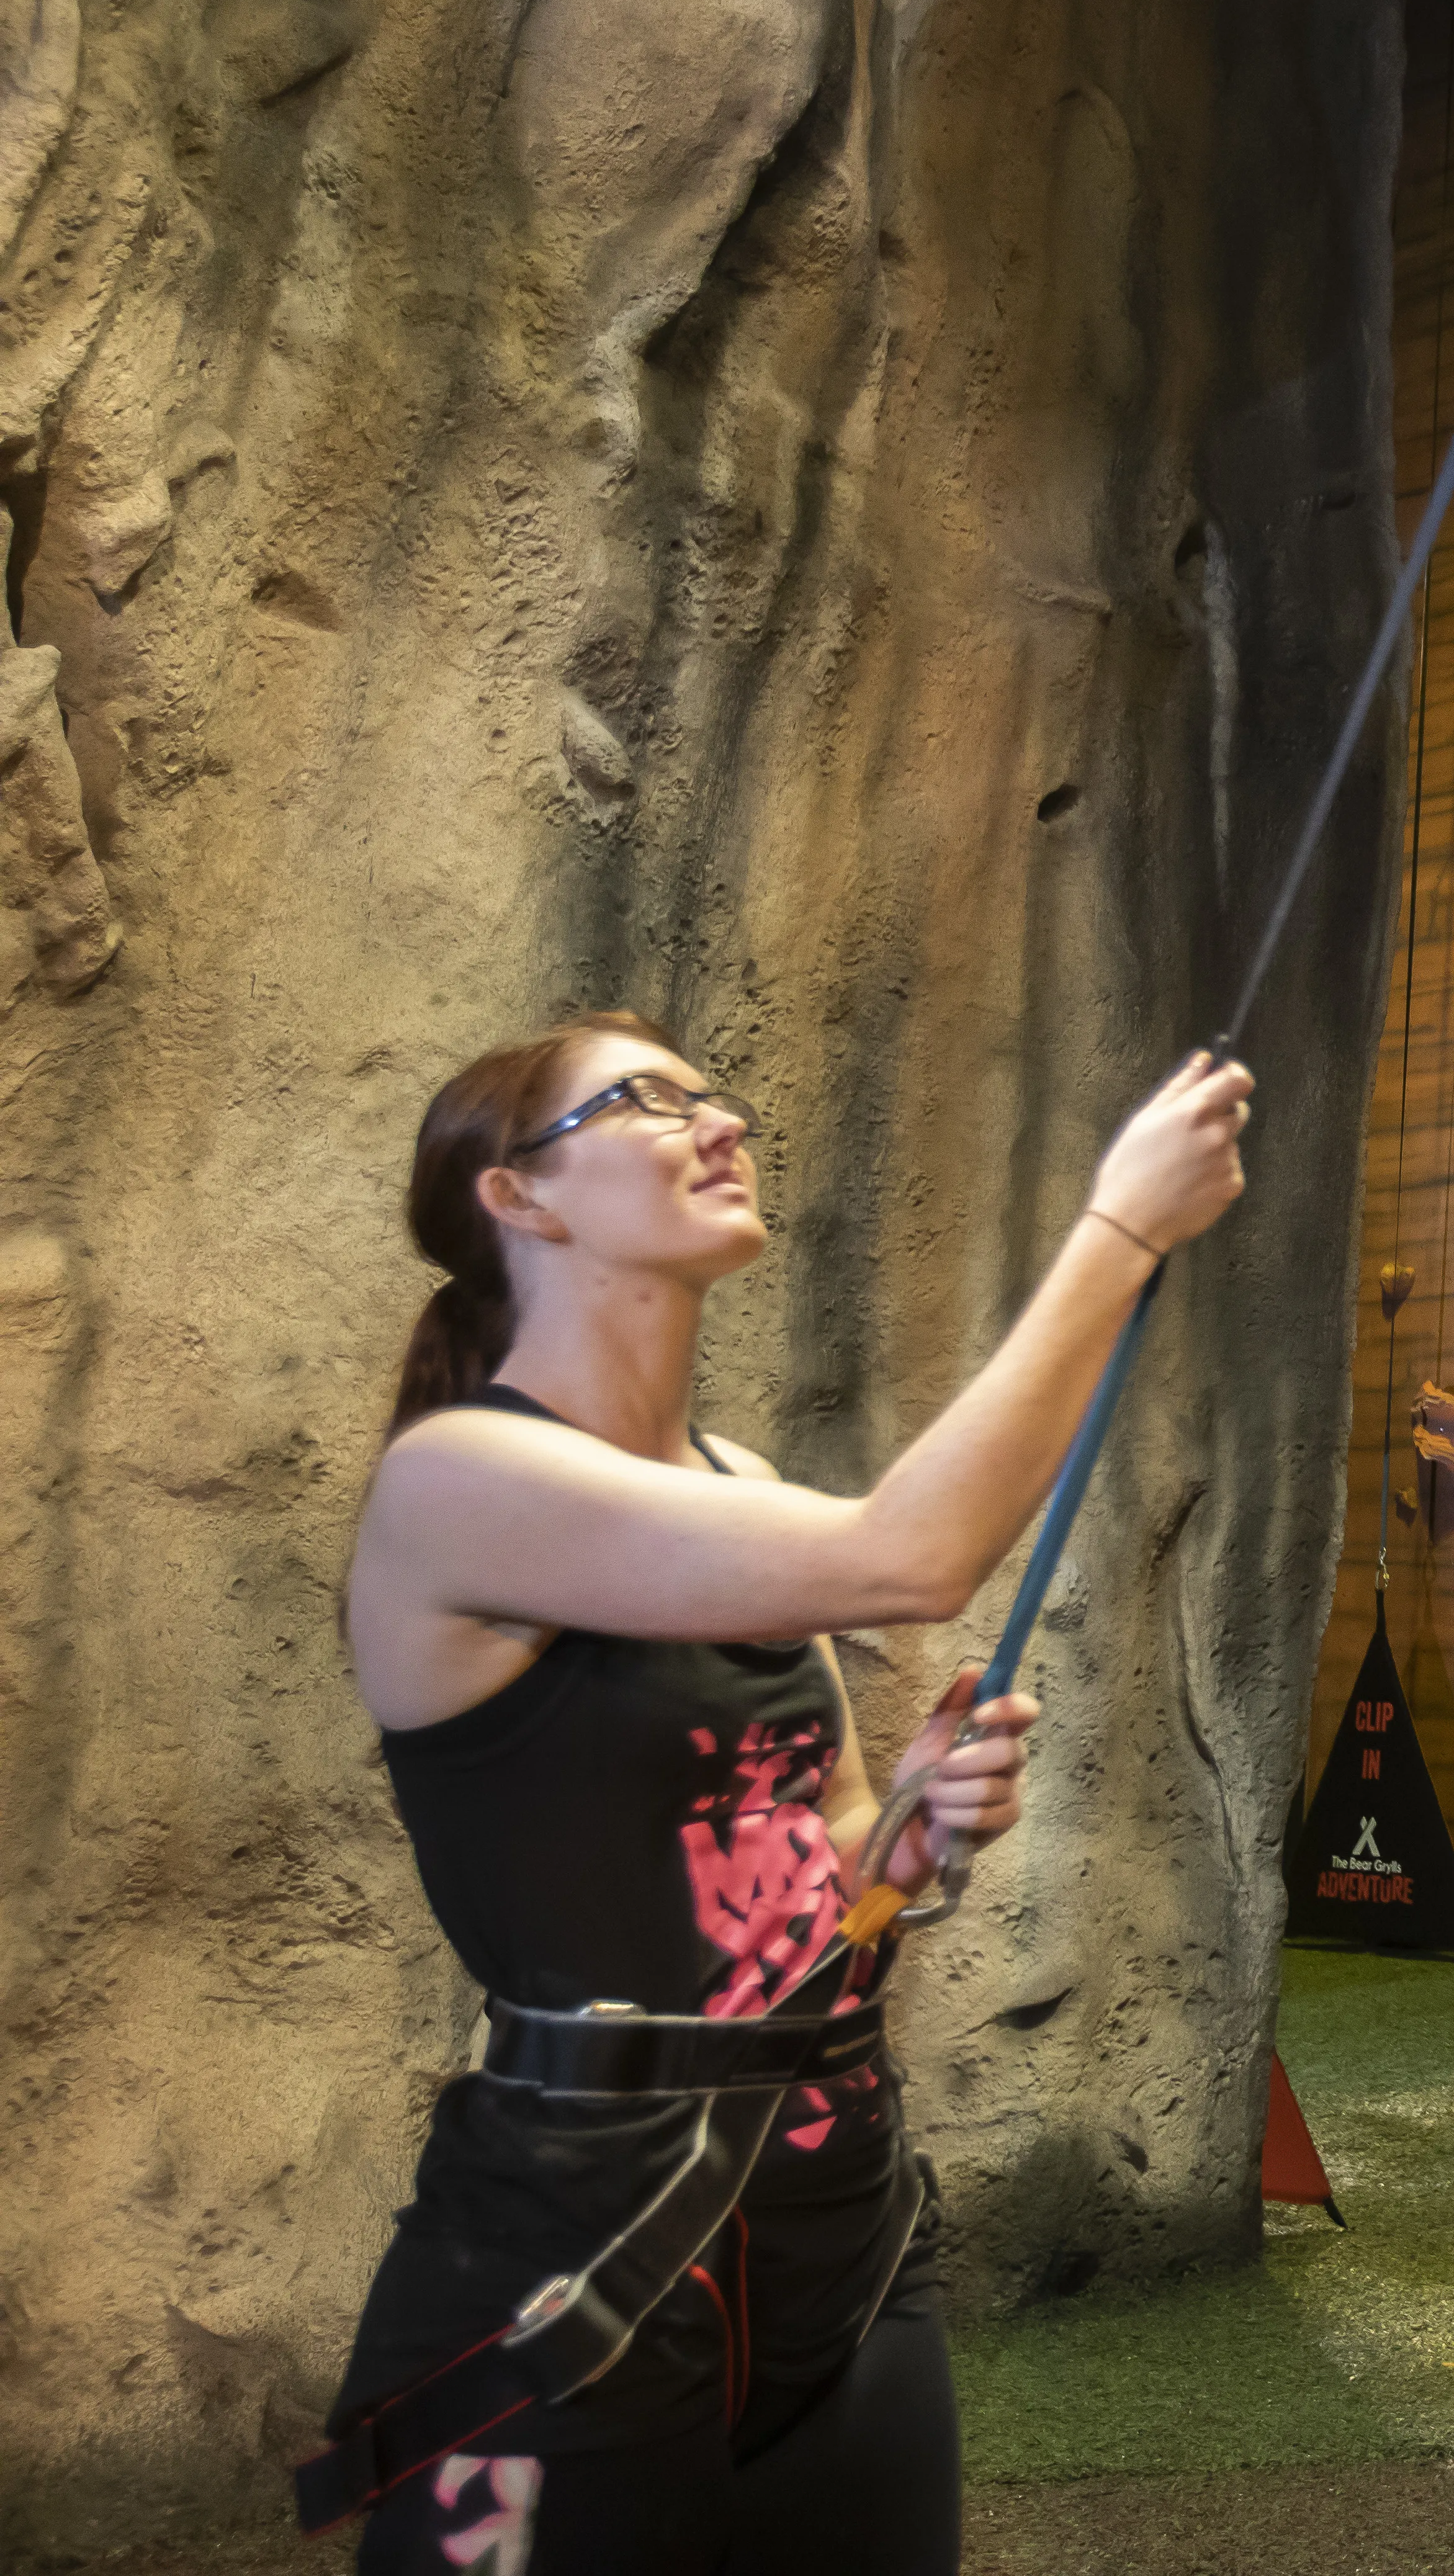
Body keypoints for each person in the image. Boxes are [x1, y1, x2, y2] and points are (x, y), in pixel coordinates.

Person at [307, 1013, 1252, 2573]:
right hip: (583, 2246)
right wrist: (1121, 1228)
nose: (717, 1118)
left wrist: (915, 1834)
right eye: (646, 1101)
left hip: (847, 2230)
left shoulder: (737, 1484)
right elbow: (911, 1556)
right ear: (519, 1200)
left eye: (713, 1090)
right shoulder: (456, 1480)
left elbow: (818, 1844)